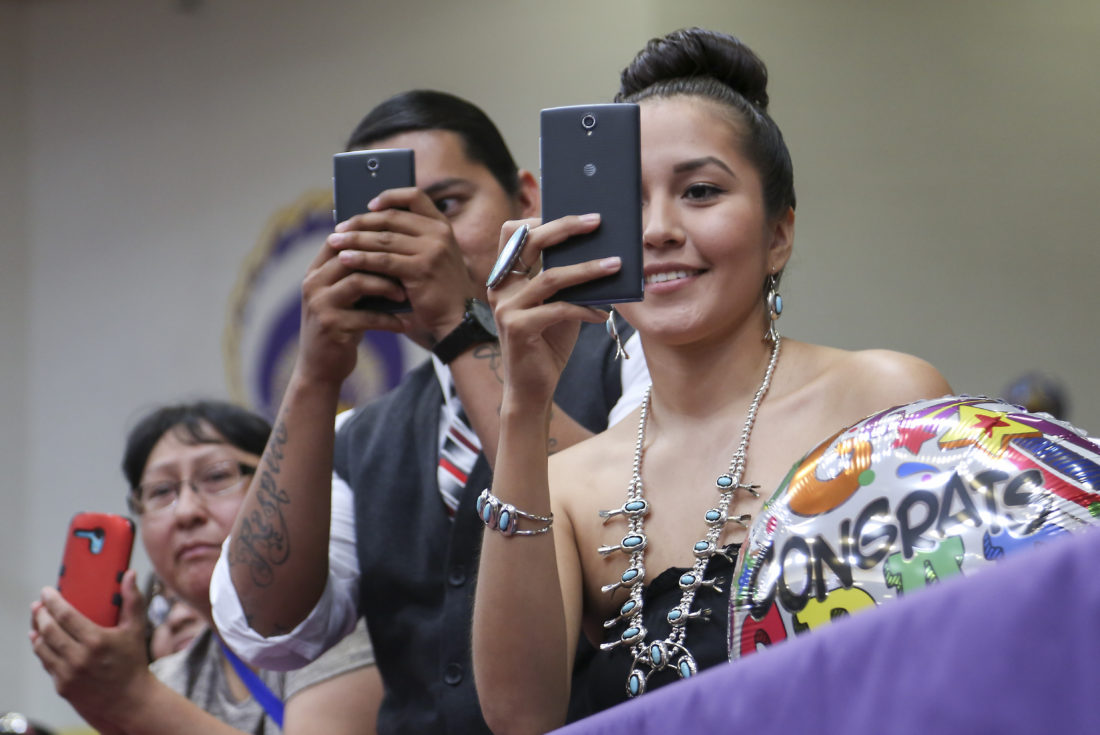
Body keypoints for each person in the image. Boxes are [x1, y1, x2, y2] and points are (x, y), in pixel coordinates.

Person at [471, 27, 954, 733]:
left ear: (778, 234)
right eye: (629, 202)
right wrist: (524, 403)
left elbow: (966, 645)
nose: (658, 229)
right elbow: (519, 715)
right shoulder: (569, 486)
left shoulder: (885, 400)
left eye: (700, 191)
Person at [209, 90, 642, 734]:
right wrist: (314, 377)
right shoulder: (358, 438)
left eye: (447, 205)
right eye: (384, 224)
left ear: (526, 199)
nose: (424, 240)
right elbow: (267, 626)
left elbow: (628, 544)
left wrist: (457, 324)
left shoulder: (628, 349)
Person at [30, 401, 380, 734]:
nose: (186, 512)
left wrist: (133, 697)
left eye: (217, 476)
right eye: (160, 491)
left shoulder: (337, 619)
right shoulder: (170, 680)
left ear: (286, 487)